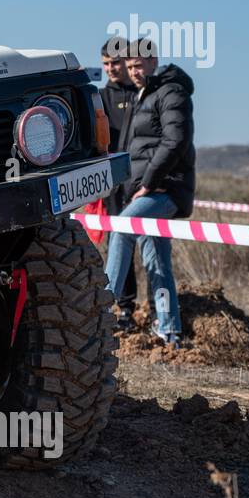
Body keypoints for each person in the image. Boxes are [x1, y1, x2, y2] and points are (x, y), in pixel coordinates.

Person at [102, 38, 195, 349]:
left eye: (139, 65)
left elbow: (175, 141)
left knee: (122, 229)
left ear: (154, 61)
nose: (134, 72)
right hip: (145, 188)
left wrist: (149, 182)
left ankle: (101, 306)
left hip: (166, 187)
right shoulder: (146, 93)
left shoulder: (171, 91)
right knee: (157, 262)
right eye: (130, 67)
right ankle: (170, 330)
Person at [100, 36, 139, 329]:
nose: (111, 68)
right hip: (113, 181)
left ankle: (158, 310)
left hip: (142, 178)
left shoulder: (142, 92)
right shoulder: (100, 96)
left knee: (150, 241)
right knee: (117, 241)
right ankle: (122, 308)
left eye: (115, 63)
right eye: (106, 64)